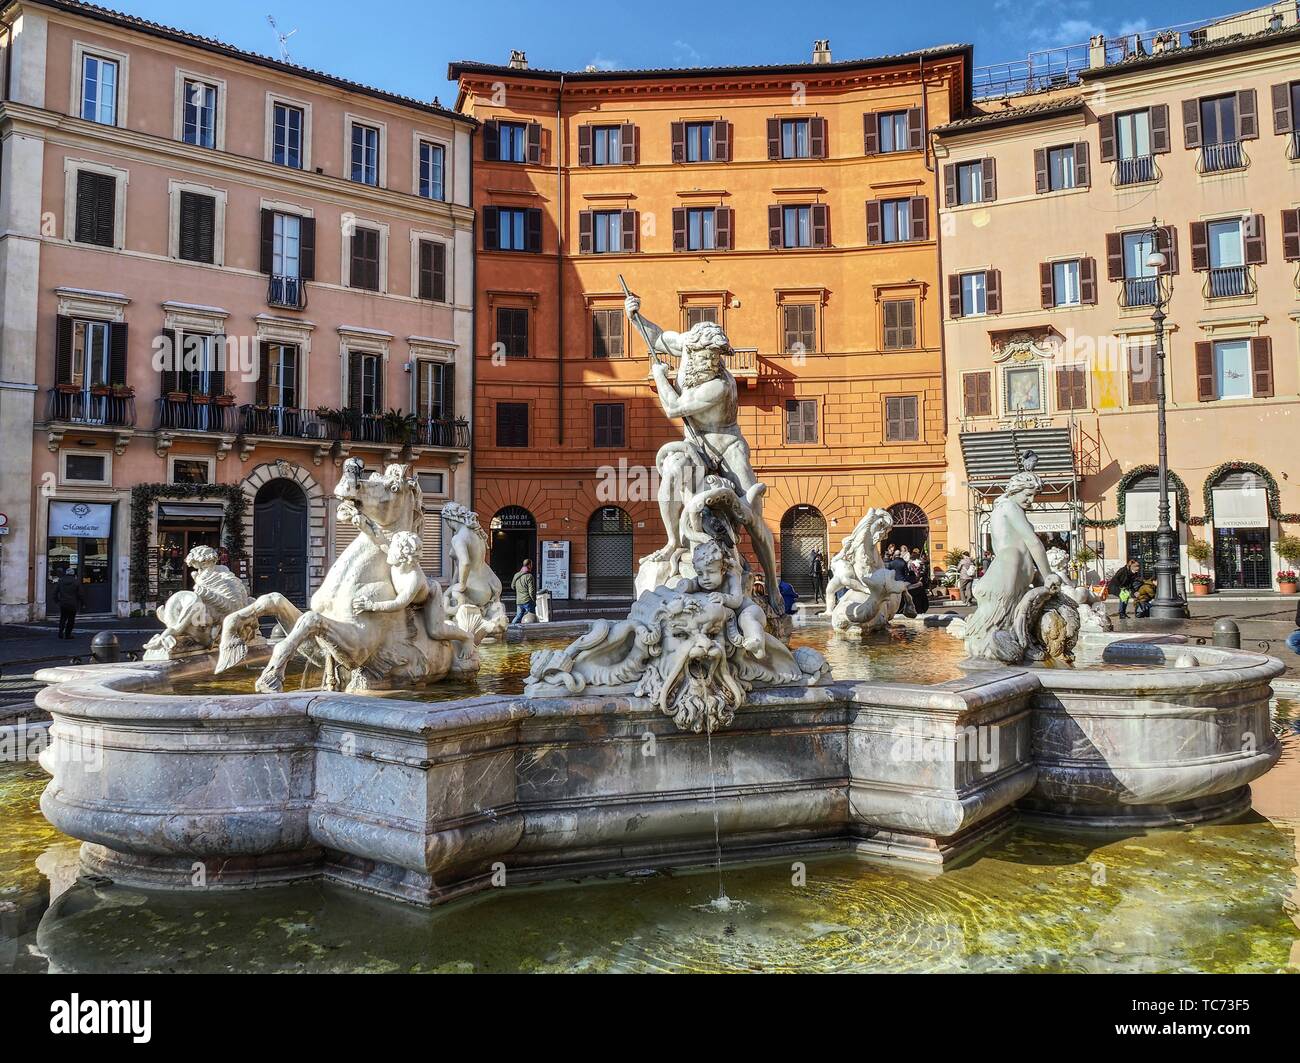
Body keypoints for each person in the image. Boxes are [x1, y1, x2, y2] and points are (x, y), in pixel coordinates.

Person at [53, 563, 86, 639]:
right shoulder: (76, 582)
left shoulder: (61, 581)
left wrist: (57, 601)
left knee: (63, 618)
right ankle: (68, 634)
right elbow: (81, 594)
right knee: (71, 619)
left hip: (63, 603)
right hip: (73, 603)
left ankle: (60, 632)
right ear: (73, 574)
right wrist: (83, 603)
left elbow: (55, 592)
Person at [510, 559, 536, 624]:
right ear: (529, 565)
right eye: (531, 564)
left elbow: (512, 587)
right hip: (528, 601)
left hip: (519, 600)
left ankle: (511, 626)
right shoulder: (529, 576)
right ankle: (531, 629)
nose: (532, 566)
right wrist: (534, 600)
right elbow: (531, 591)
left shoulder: (516, 575)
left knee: (518, 616)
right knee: (531, 617)